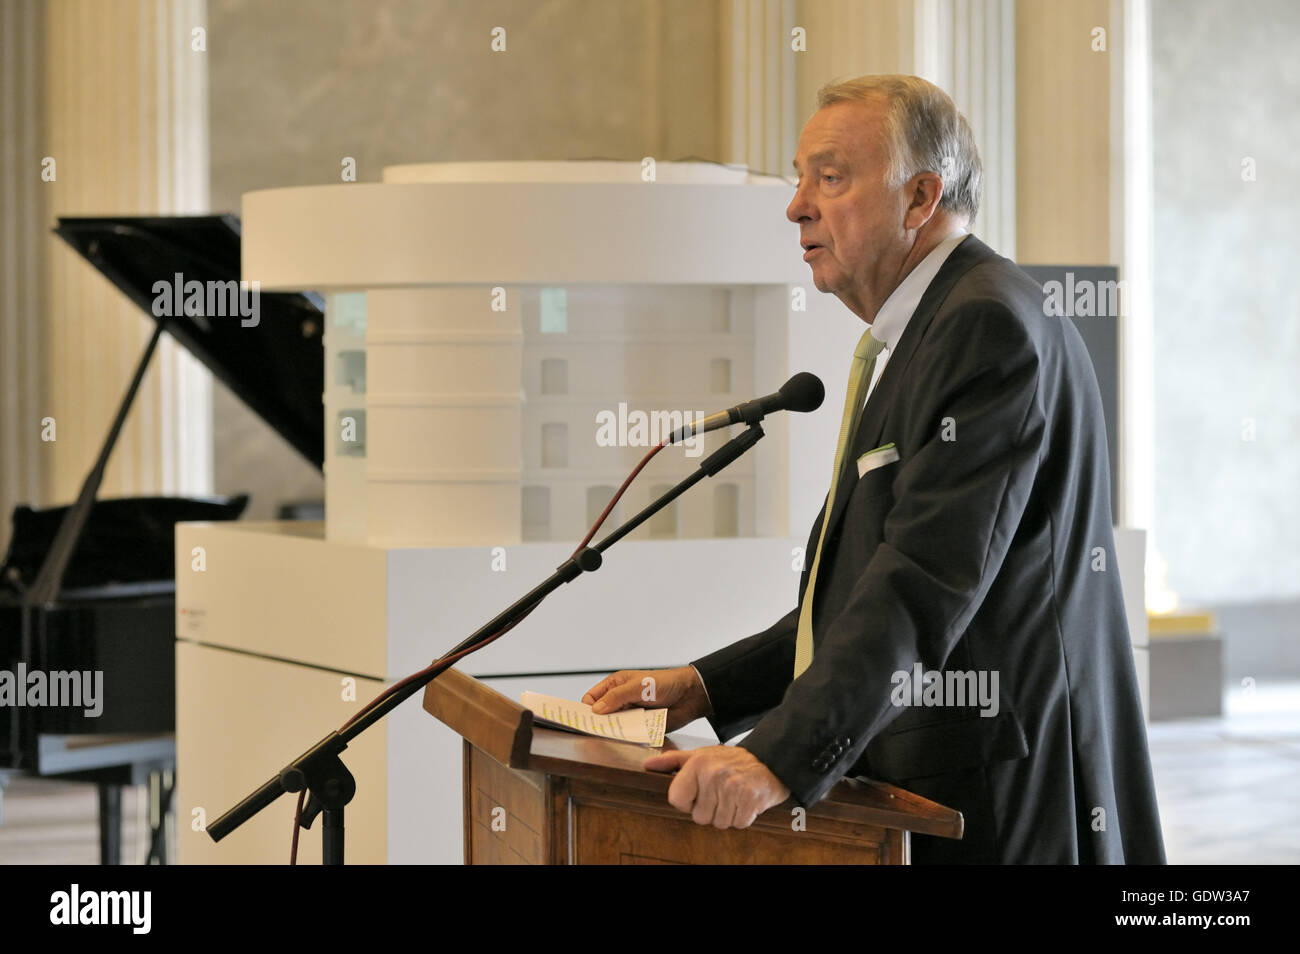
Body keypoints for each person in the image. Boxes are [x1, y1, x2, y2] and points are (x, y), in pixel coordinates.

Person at [583, 74, 1165, 864]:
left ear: (920, 196)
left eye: (829, 177)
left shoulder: (984, 326)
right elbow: (863, 590)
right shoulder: (935, 326)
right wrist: (702, 687)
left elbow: (923, 580)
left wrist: (777, 757)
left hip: (998, 805)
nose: (796, 205)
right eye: (799, 178)